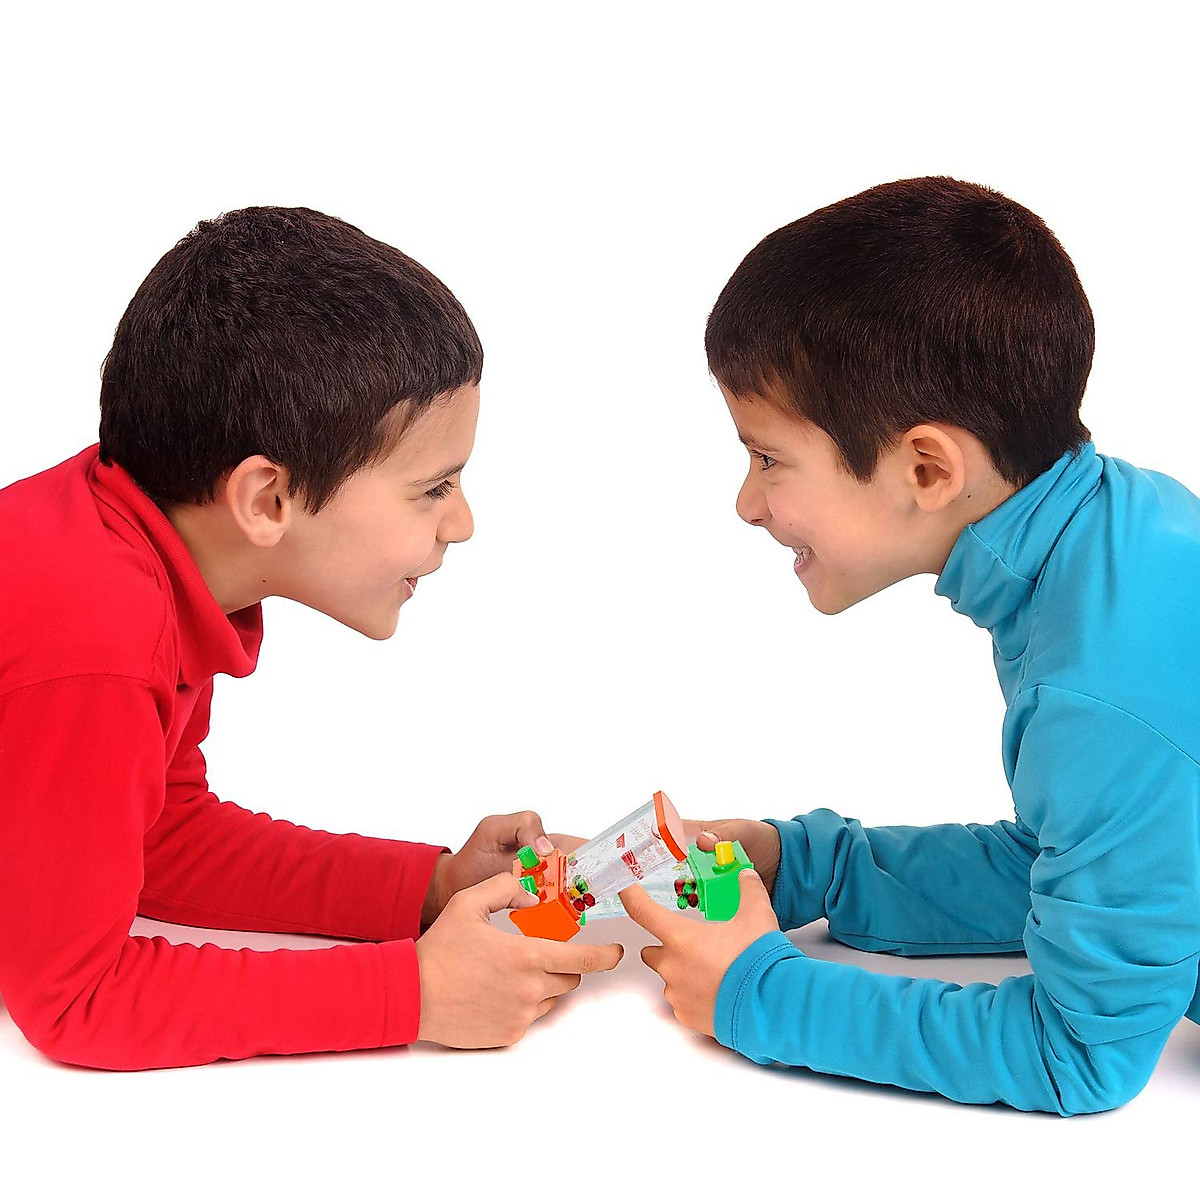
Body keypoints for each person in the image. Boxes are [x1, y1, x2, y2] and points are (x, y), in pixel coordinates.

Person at [621, 176, 1200, 1115]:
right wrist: (809, 867)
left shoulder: (1099, 685)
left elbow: (1077, 1055)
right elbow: (1076, 869)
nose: (747, 502)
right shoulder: (1125, 535)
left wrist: (755, 991)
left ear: (927, 468)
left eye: (767, 457)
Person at [0, 206, 621, 1071]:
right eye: (433, 488)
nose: (462, 523)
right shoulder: (94, 635)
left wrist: (430, 887)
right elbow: (76, 998)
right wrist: (413, 992)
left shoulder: (137, 548)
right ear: (267, 500)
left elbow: (158, 840)